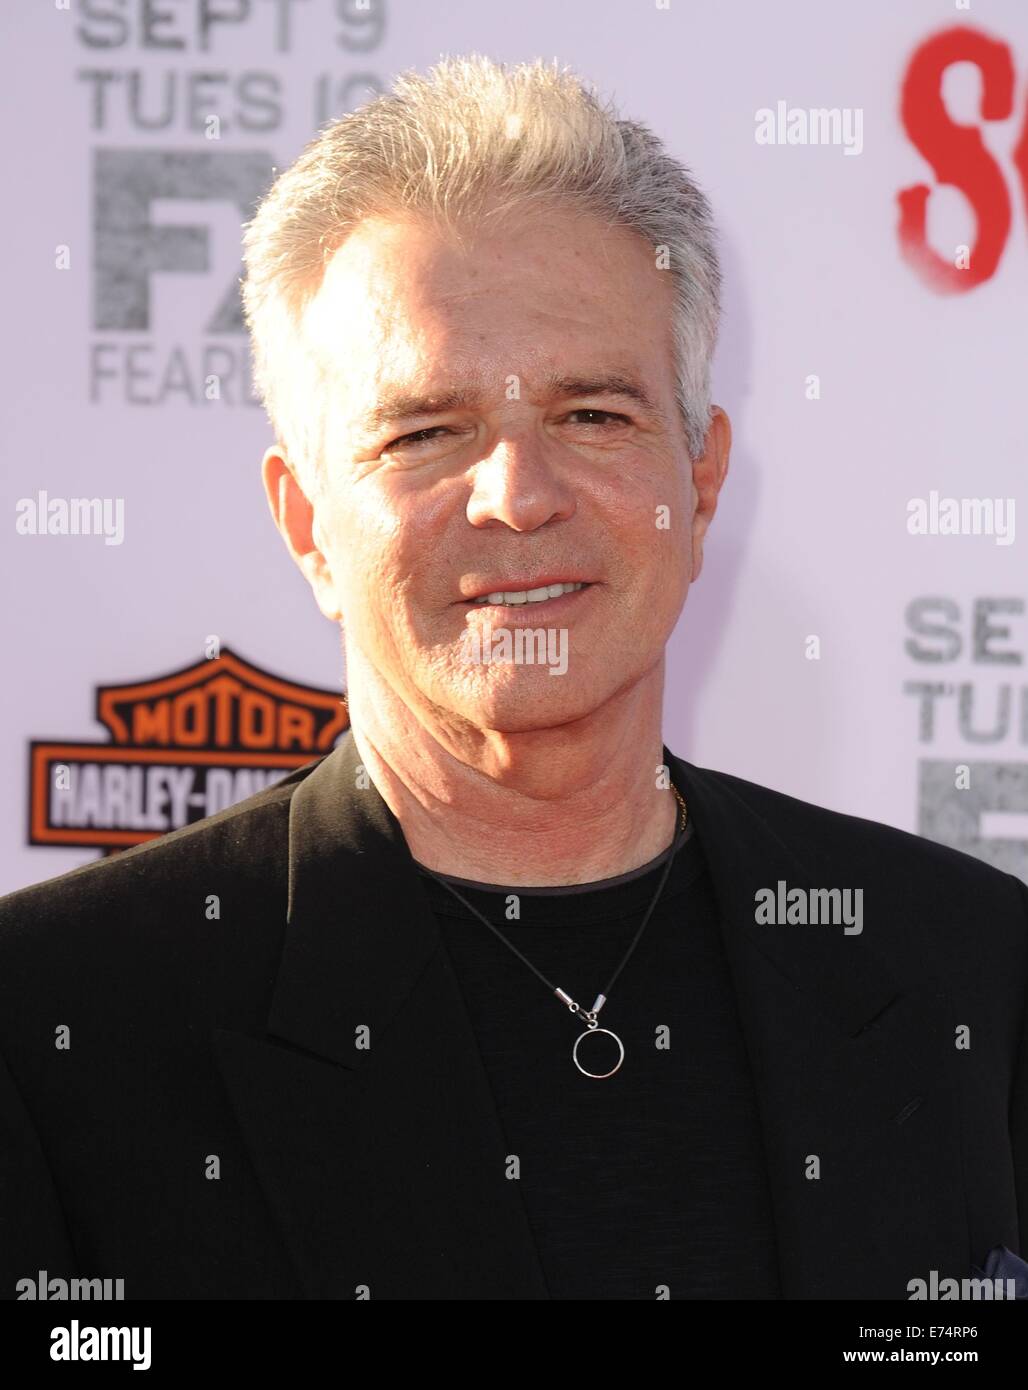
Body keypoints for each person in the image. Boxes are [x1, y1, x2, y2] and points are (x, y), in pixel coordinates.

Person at [1, 54, 1026, 1302]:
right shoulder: (62, 1025)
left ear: (697, 489)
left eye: (591, 415)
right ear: (308, 523)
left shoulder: (969, 968)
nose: (518, 495)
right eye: (424, 432)